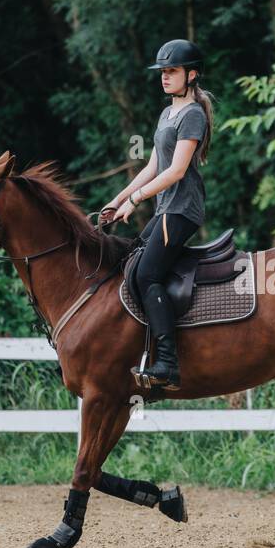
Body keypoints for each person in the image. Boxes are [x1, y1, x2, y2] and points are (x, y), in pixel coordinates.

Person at [101, 38, 213, 391]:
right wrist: (117, 200)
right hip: (166, 208)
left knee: (147, 275)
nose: (164, 77)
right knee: (132, 268)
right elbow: (153, 165)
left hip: (183, 209)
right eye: (162, 72)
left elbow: (177, 170)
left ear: (191, 74)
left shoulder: (193, 114)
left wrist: (135, 200)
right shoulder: (167, 113)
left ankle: (168, 362)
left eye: (172, 71)